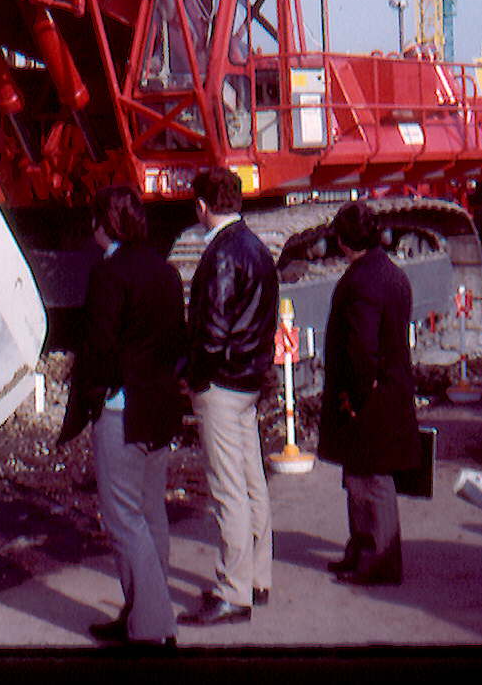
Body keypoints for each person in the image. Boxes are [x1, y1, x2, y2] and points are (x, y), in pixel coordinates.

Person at [57, 186, 187, 648]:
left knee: (122, 519)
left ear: (105, 224)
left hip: (121, 411)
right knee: (152, 515)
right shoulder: (166, 273)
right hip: (159, 408)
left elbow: (100, 349)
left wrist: (91, 394)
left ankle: (152, 627)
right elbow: (177, 344)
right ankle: (141, 612)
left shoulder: (108, 276)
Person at [178, 166, 278, 626]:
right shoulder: (257, 248)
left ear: (202, 206)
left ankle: (232, 591)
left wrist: (192, 376)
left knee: (228, 490)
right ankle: (257, 577)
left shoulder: (220, 255)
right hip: (249, 380)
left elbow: (213, 329)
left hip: (220, 383)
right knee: (252, 481)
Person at [317, 200, 421, 586]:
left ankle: (378, 559)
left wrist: (356, 396)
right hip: (387, 393)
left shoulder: (361, 280)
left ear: (343, 241)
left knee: (371, 480)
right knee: (359, 476)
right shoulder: (390, 273)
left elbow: (362, 347)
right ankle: (361, 550)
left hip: (369, 398)